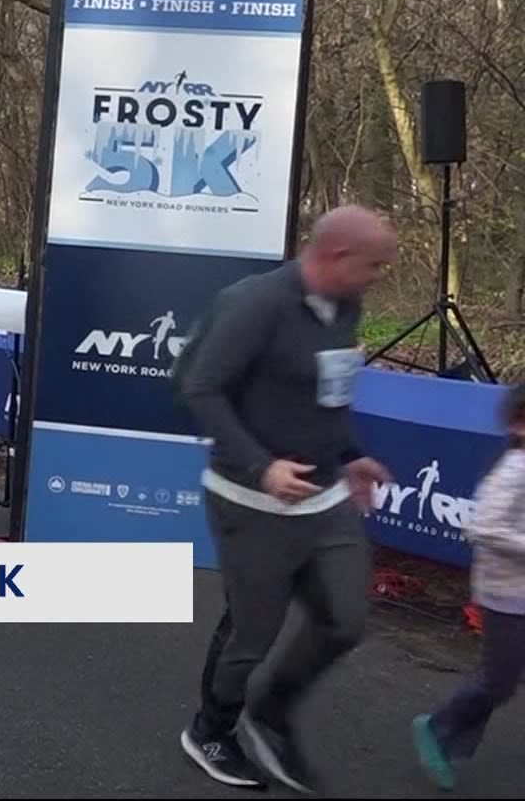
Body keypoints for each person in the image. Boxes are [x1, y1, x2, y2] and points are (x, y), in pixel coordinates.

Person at [177, 205, 398, 793]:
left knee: (345, 618)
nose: (381, 275)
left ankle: (271, 714)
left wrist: (351, 456)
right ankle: (211, 730)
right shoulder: (258, 303)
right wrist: (262, 465)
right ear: (336, 256)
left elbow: (328, 395)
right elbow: (198, 386)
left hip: (324, 498)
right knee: (252, 634)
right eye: (374, 265)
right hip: (250, 500)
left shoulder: (347, 306)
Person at [412, 383, 525, 790]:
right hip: (506, 595)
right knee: (499, 680)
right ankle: (439, 726)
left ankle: (454, 742)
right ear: (518, 424)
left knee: (500, 675)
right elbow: (483, 527)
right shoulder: (513, 470)